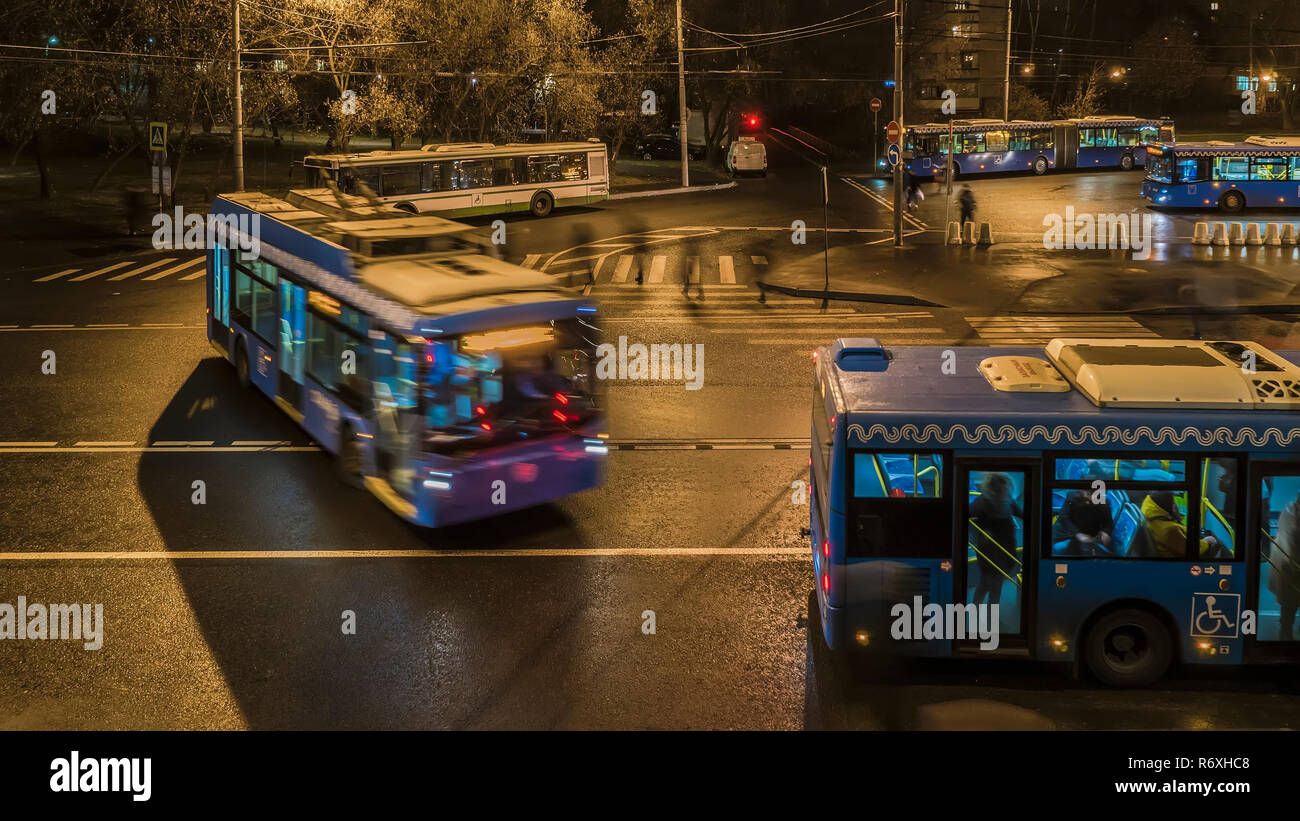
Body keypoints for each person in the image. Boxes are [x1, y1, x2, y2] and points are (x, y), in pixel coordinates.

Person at [970, 473, 1023, 607]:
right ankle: (988, 615)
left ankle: (977, 608)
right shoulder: (1008, 501)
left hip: (990, 550)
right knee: (994, 585)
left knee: (986, 582)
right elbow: (1021, 514)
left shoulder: (982, 502)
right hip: (998, 551)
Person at [1141, 491, 1223, 559]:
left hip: (1176, 548)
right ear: (1165, 508)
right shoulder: (1169, 530)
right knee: (1216, 542)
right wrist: (1206, 542)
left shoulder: (1156, 519)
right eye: (1173, 503)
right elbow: (1189, 549)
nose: (1176, 506)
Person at [1270, 491, 1300, 641]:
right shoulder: (1293, 515)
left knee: (1289, 604)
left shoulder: (1290, 510)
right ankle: (1286, 633)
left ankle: (1285, 631)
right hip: (1292, 564)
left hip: (1289, 563)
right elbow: (1292, 540)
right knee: (1290, 603)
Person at [1052, 490, 1115, 556]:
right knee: (1059, 549)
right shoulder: (1072, 498)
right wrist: (1078, 534)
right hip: (1066, 534)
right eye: (1088, 494)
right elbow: (1063, 518)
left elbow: (1108, 522)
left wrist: (1106, 532)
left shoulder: (1103, 502)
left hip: (1087, 538)